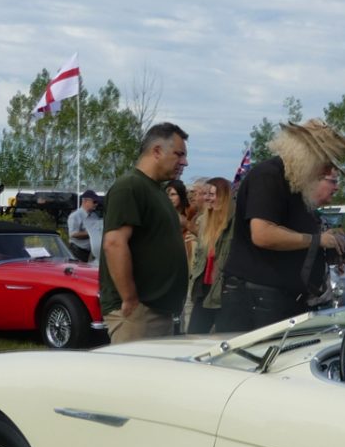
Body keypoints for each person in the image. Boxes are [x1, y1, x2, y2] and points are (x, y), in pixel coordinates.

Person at [218, 119, 345, 332]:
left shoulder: (296, 184)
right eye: (324, 159)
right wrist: (317, 240)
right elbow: (263, 234)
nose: (327, 168)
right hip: (258, 297)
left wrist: (326, 241)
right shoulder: (269, 175)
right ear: (306, 153)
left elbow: (291, 231)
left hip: (278, 297)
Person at [99, 122, 190, 343]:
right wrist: (130, 299)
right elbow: (114, 244)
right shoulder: (130, 186)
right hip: (138, 314)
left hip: (157, 312)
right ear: (157, 151)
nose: (184, 162)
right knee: (133, 376)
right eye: (179, 154)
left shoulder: (156, 190)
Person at [186, 177, 235, 335]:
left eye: (212, 194)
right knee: (193, 336)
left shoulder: (236, 223)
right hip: (204, 290)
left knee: (223, 339)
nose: (207, 198)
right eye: (206, 194)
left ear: (225, 196)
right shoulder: (205, 223)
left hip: (225, 294)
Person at [67, 189, 101, 263]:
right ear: (85, 201)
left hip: (90, 252)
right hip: (77, 251)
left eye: (97, 202)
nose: (96, 204)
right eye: (94, 202)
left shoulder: (94, 216)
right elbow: (73, 234)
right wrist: (91, 233)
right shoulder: (75, 216)